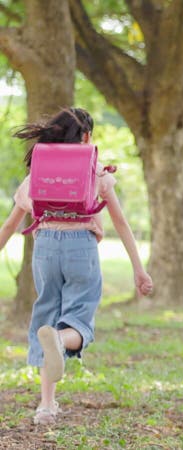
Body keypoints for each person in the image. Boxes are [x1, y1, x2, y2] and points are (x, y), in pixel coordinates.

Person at [0, 107, 153, 426]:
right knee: (77, 324)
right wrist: (139, 270)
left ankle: (45, 406)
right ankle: (59, 341)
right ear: (86, 137)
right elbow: (121, 224)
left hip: (43, 250)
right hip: (81, 248)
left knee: (46, 319)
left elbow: (9, 227)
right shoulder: (97, 173)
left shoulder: (36, 176)